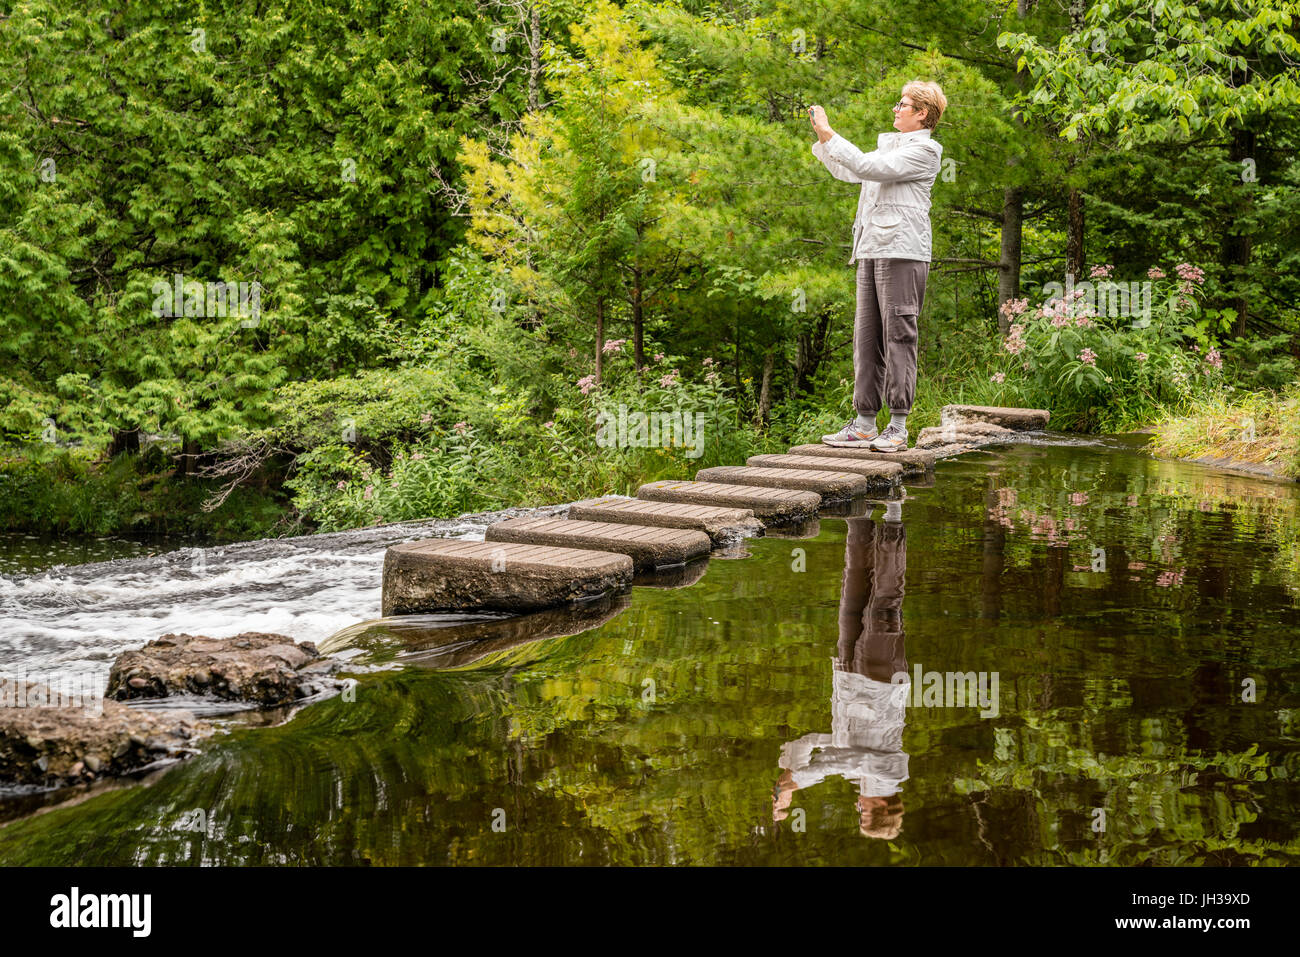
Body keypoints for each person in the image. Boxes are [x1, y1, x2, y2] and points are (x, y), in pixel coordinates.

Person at [809, 82, 947, 452]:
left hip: (903, 251)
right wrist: (823, 142)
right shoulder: (892, 147)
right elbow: (852, 172)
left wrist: (831, 134)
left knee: (899, 335)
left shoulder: (926, 151)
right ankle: (865, 423)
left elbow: (868, 166)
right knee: (866, 338)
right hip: (870, 248)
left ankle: (898, 426)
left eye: (902, 104)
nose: (895, 109)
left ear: (922, 112)